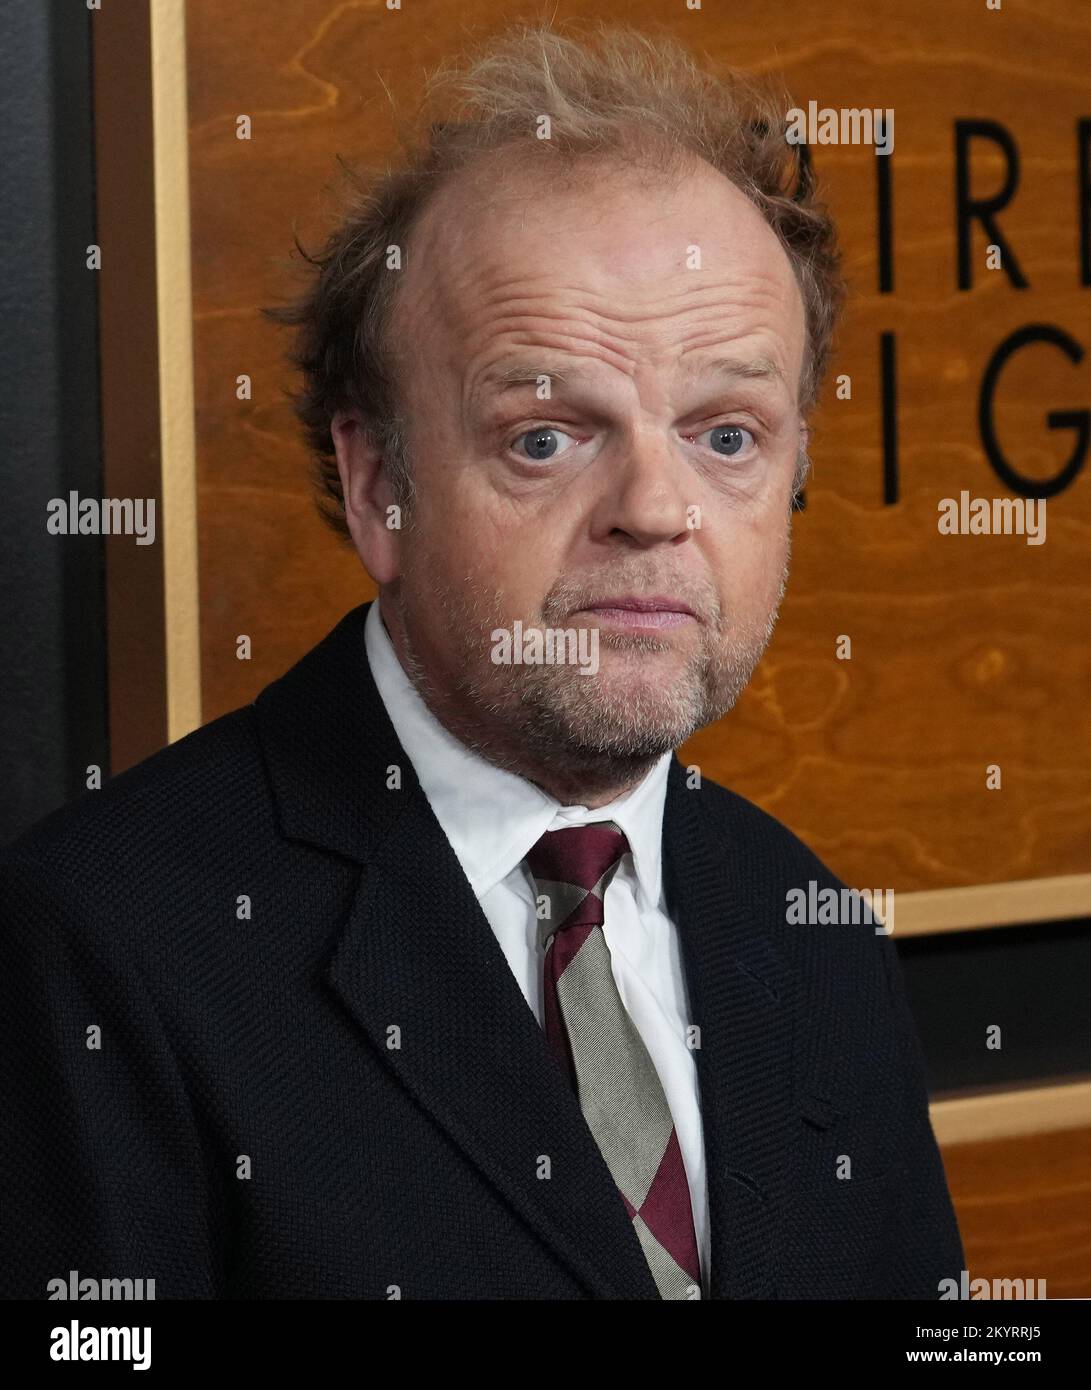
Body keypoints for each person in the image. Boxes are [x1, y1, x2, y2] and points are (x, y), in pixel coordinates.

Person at [0, 21, 963, 1300]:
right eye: (547, 436)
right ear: (376, 484)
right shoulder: (104, 945)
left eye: (724, 434)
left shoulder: (812, 926)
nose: (656, 508)